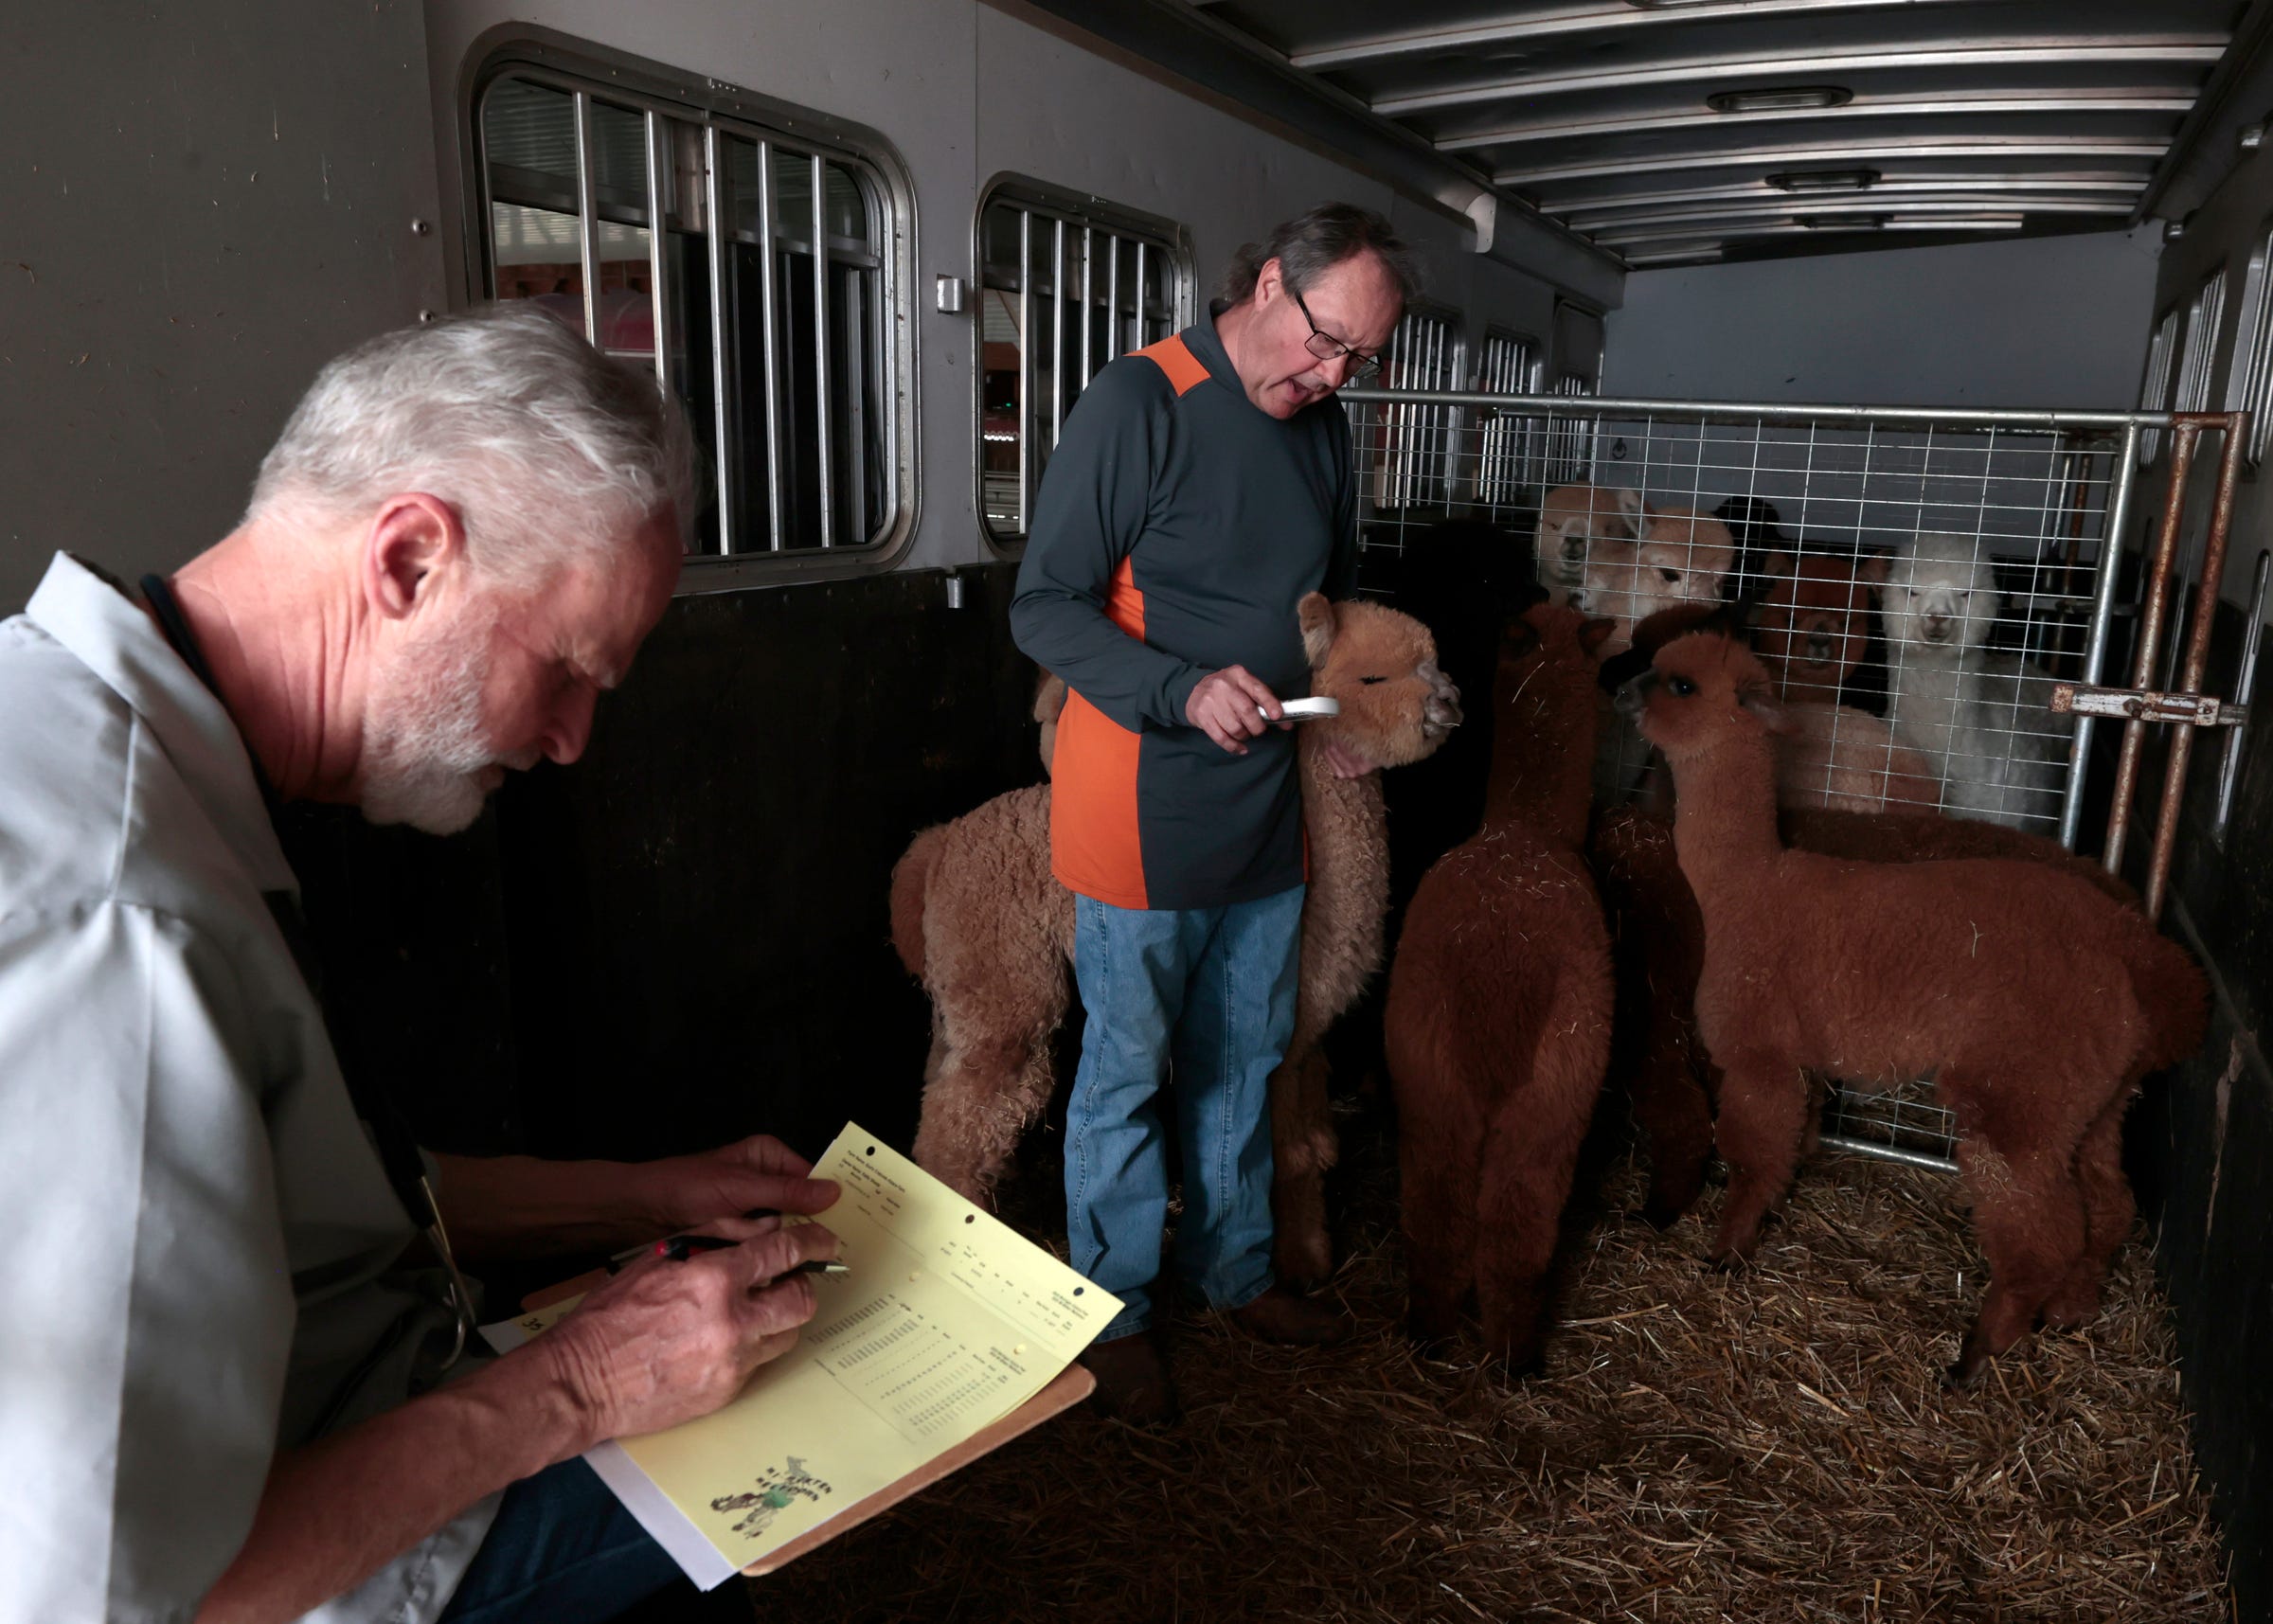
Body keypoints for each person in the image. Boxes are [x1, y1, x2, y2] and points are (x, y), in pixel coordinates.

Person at [0, 305, 842, 1624]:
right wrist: (583, 1383)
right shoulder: (126, 917)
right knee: (783, 1454)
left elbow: (280, 1201)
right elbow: (100, 1594)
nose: (572, 741)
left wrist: (643, 1196)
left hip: (351, 1402)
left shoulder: (92, 733)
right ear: (407, 561)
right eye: (567, 669)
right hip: (318, 1564)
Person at [1009, 203, 1419, 1424]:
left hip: (1264, 805)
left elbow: (1330, 602)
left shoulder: (1323, 431)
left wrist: (1343, 721)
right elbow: (1044, 605)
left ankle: (1236, 1274)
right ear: (1268, 281)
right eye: (1325, 339)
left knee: (1247, 1054)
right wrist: (1182, 689)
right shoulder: (1139, 402)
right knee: (1128, 1072)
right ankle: (1112, 1318)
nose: (1331, 375)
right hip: (1141, 803)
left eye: (1359, 359)